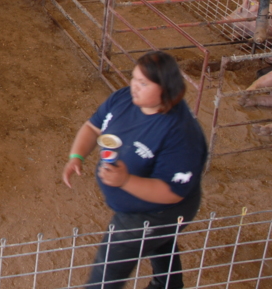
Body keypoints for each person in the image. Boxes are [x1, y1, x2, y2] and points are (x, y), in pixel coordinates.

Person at [62, 51, 207, 289]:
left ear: (165, 89)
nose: (134, 87)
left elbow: (171, 192)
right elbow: (92, 127)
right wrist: (76, 156)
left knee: (109, 265)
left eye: (143, 83)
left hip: (158, 212)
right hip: (140, 204)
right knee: (159, 242)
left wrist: (125, 181)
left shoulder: (181, 134)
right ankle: (168, 285)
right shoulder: (123, 99)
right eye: (134, 78)